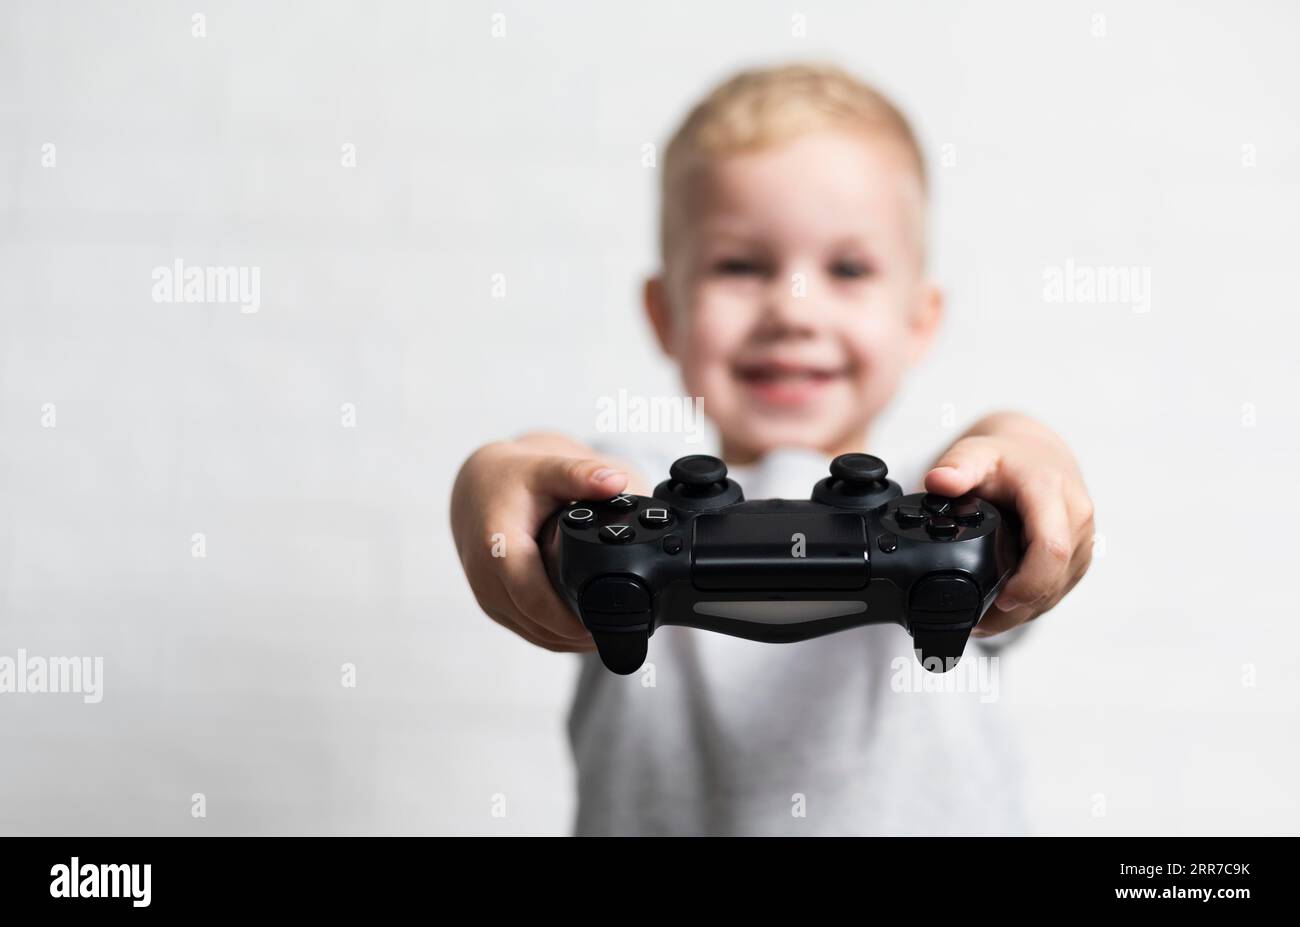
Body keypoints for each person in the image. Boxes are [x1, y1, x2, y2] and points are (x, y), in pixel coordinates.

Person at [451, 63, 1095, 835]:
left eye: (848, 269)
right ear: (666, 313)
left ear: (919, 320)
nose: (793, 311)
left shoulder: (956, 509)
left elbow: (1009, 456)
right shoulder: (622, 496)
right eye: (740, 266)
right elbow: (529, 470)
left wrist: (1029, 439)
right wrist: (489, 480)